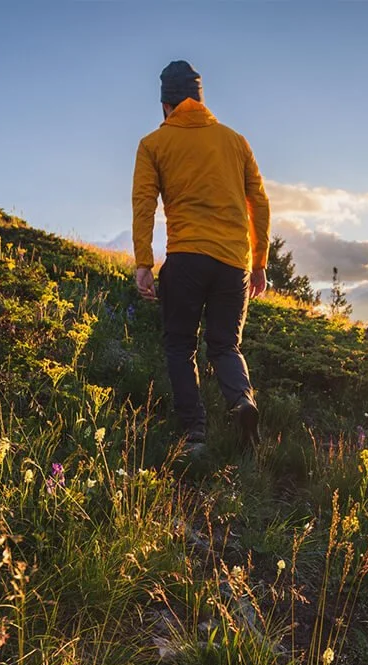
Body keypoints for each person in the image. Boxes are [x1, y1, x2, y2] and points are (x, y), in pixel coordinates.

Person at [132, 60, 270, 452]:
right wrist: (259, 263)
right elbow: (259, 204)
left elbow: (144, 205)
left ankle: (194, 432)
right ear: (199, 99)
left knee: (180, 345)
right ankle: (242, 400)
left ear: (166, 105)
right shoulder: (235, 141)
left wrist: (144, 262)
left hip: (186, 258)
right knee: (225, 345)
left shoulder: (153, 144)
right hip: (233, 263)